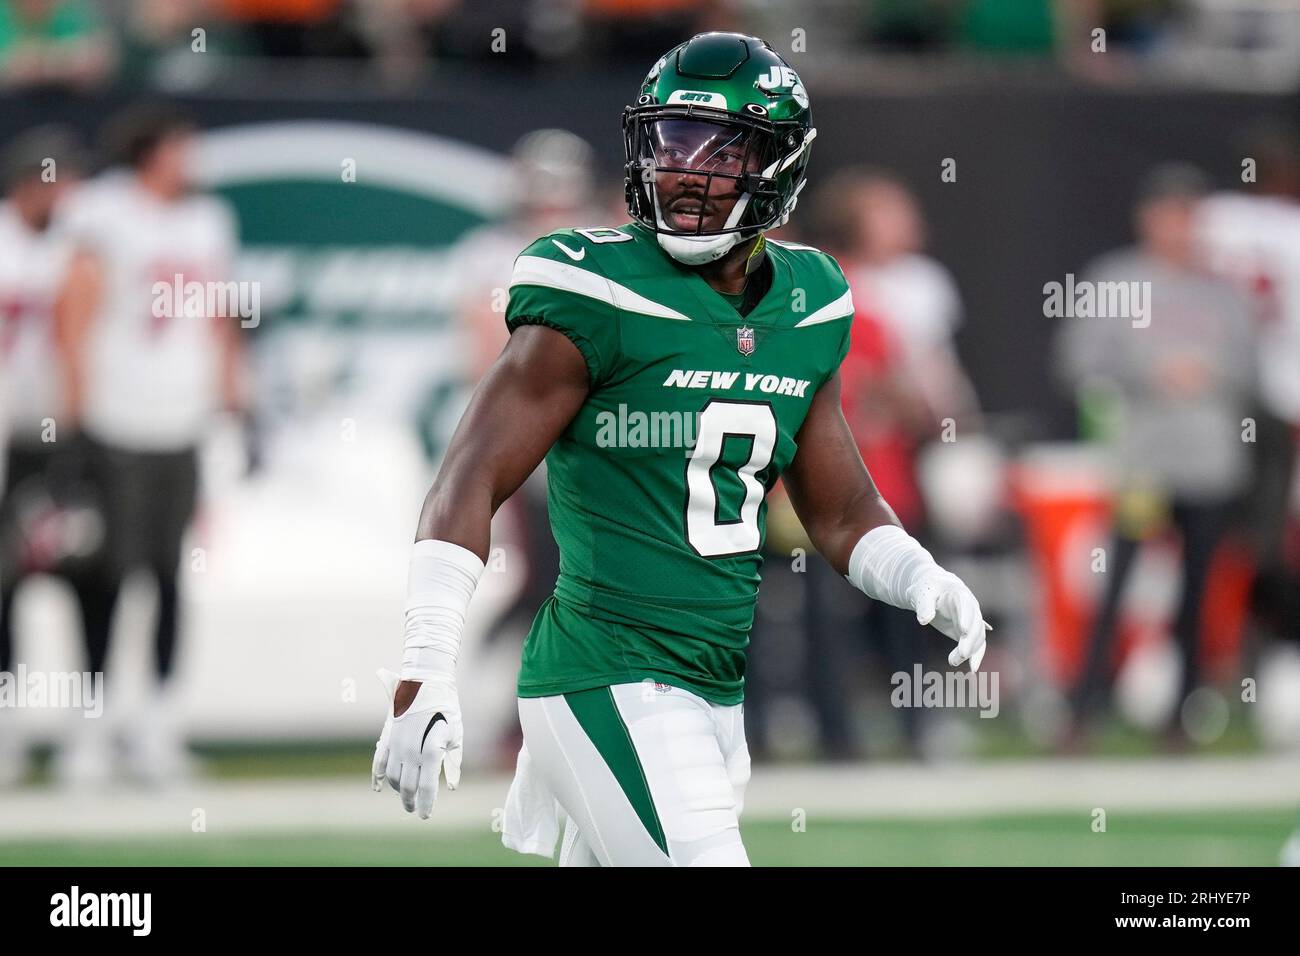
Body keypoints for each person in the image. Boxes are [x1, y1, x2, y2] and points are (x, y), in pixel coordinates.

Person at [371, 32, 990, 867]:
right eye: (668, 141)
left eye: (719, 149)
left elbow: (838, 505)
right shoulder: (591, 288)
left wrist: (920, 575)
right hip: (607, 673)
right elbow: (471, 475)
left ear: (779, 164)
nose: (685, 169)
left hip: (711, 686)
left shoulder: (810, 301)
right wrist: (425, 662)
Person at [53, 102, 244, 784]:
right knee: (106, 578)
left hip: (181, 421)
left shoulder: (206, 219)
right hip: (116, 420)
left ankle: (159, 725)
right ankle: (92, 730)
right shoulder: (102, 211)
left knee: (168, 575)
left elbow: (219, 317)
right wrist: (74, 419)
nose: (190, 160)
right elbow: (73, 314)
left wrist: (230, 399)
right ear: (150, 151)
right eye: (179, 147)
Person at [1057, 163, 1256, 746]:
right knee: (1116, 584)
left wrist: (1209, 372)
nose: (1180, 228)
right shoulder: (1116, 279)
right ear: (1148, 219)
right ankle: (1082, 710)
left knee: (1198, 591)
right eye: (1171, 215)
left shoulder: (1224, 292)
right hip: (1143, 462)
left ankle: (1182, 715)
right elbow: (1078, 363)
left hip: (1208, 462)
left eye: (1189, 216)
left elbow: (1250, 366)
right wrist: (1150, 372)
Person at [0, 124, 82, 786]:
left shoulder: (76, 250)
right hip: (6, 434)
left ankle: (92, 732)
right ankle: (7, 728)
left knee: (88, 573)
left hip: (61, 436)